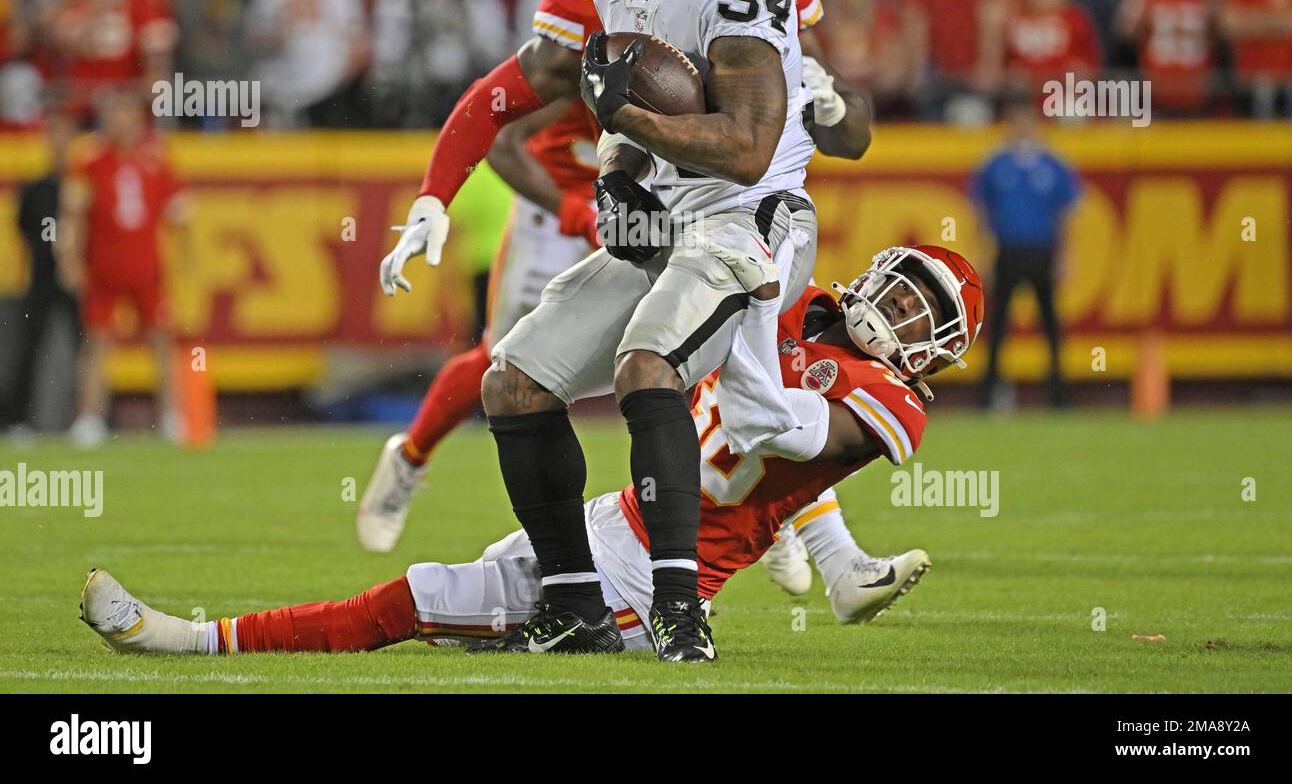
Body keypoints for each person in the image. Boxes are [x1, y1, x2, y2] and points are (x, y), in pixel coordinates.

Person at [377, 0, 860, 664]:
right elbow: (502, 95)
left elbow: (747, 151)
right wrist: (433, 198)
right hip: (662, 228)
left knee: (651, 364)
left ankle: (680, 611)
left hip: (749, 223)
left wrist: (627, 113)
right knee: (513, 382)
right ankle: (574, 605)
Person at [79, 243, 982, 657]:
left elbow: (779, 426)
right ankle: (831, 563)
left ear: (937, 349)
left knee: (420, 598)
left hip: (649, 580)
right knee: (464, 614)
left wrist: (744, 310)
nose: (896, 311)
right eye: (902, 290)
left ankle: (188, 640)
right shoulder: (805, 304)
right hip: (618, 518)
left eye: (919, 315)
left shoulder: (894, 398)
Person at [359, 0, 863, 554]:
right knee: (505, 356)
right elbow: (501, 127)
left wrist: (832, 111)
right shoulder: (596, 5)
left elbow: (831, 127)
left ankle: (813, 543)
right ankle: (411, 457)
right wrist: (450, 198)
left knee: (707, 346)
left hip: (681, 203)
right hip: (568, 197)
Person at [57, 88, 187, 446]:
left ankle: (172, 415)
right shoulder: (91, 159)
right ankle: (90, 417)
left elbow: (178, 212)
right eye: (115, 113)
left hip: (147, 267)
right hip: (104, 267)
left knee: (161, 341)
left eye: (127, 113)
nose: (121, 121)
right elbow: (74, 213)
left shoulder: (156, 158)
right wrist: (68, 257)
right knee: (97, 343)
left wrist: (188, 256)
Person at [970, 99, 1079, 410]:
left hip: (1042, 251)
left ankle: (1059, 394)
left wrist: (1064, 257)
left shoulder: (1052, 165)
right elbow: (981, 210)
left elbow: (1065, 216)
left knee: (1051, 325)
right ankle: (989, 393)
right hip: (1008, 251)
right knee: (997, 326)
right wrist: (982, 252)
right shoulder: (996, 164)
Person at [2, 112, 79, 436]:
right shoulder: (37, 189)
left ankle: (87, 417)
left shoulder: (80, 185)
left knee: (87, 346)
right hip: (42, 275)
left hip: (77, 276)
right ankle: (18, 419)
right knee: (29, 346)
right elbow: (23, 228)